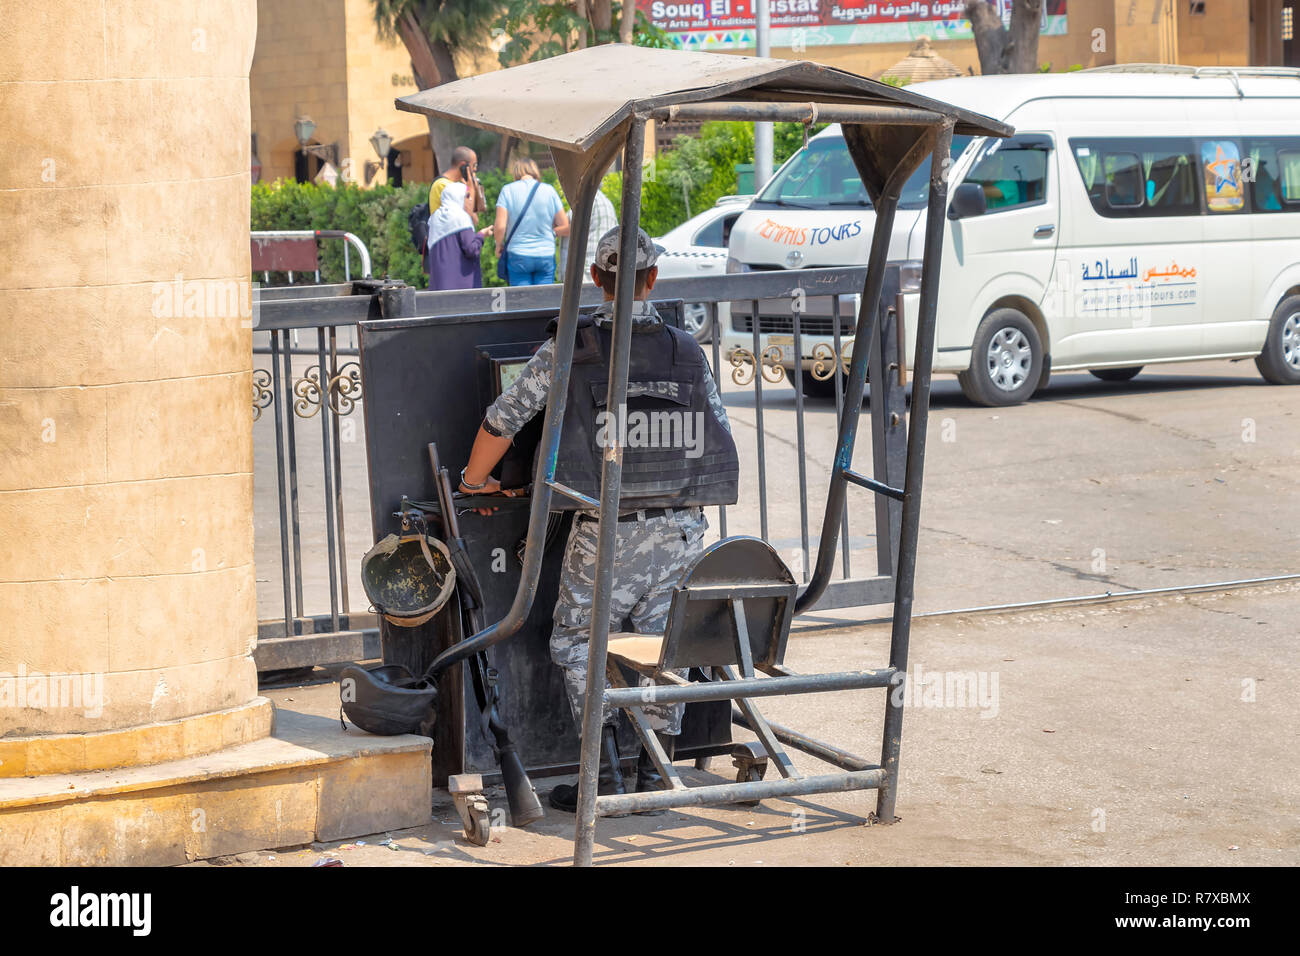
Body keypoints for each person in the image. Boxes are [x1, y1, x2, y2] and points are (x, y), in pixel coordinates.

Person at [457, 227, 739, 813]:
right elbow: (719, 433)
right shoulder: (687, 350)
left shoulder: (572, 347)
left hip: (606, 534)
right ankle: (653, 772)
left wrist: (474, 482)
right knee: (664, 647)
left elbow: (502, 418)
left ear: (597, 280)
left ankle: (601, 774)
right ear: (653, 279)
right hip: (684, 531)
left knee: (579, 642)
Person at [493, 158, 569, 286]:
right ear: (535, 171)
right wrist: (550, 233)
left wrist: (498, 245)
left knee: (522, 301)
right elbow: (566, 227)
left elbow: (500, 227)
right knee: (544, 302)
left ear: (516, 172)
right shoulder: (549, 190)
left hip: (518, 254)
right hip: (546, 253)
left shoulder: (507, 190)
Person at [425, 180, 489, 290]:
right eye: (467, 196)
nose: (470, 200)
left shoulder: (434, 219)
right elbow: (471, 250)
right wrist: (481, 235)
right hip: (462, 287)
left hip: (439, 286)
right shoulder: (461, 217)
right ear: (458, 197)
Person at [429, 146, 481, 219]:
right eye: (474, 165)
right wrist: (471, 188)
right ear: (463, 165)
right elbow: (467, 217)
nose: (475, 169)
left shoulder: (457, 185)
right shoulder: (443, 185)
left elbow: (475, 219)